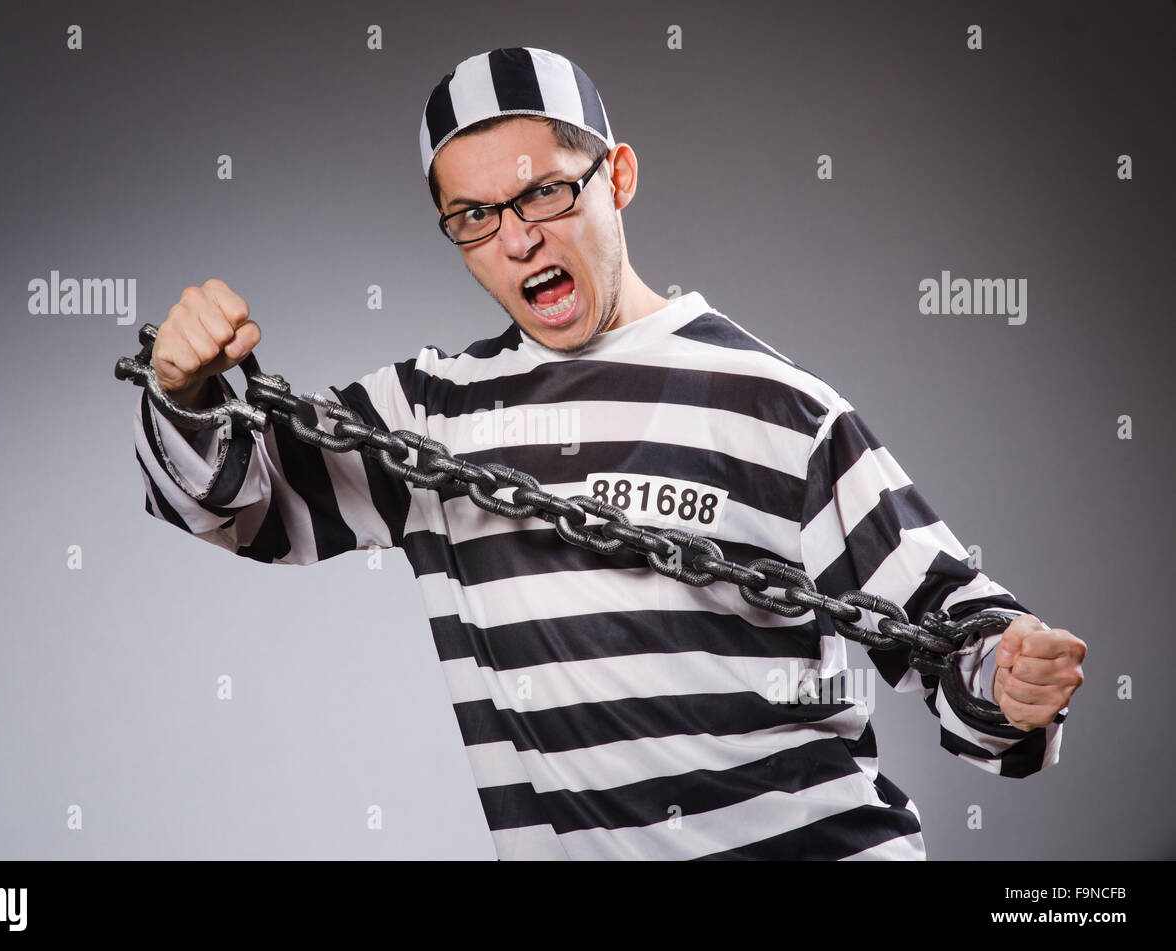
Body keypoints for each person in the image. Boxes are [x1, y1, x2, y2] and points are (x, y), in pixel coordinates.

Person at [131, 47, 1086, 860]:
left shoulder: (778, 405)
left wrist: (1011, 675)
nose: (516, 238)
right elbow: (243, 508)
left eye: (543, 191)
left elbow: (953, 630)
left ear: (617, 177)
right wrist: (186, 392)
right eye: (474, 216)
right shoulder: (431, 413)